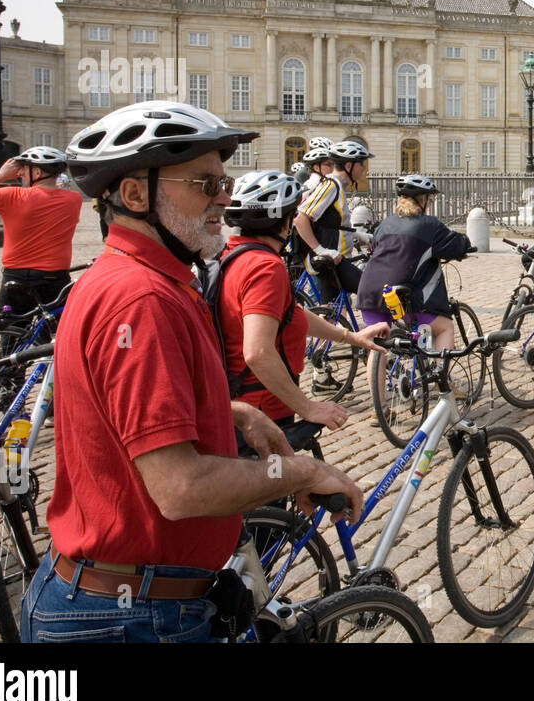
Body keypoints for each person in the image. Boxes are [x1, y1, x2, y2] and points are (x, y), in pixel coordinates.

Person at [21, 100, 362, 643]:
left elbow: (122, 407)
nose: (224, 199)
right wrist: (302, 473)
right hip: (131, 616)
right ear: (134, 195)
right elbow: (181, 487)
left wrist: (233, 409)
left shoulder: (139, 276)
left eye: (224, 183)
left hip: (130, 596)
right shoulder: (141, 300)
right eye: (205, 184)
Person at [216, 170, 388, 428]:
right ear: (284, 223)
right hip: (262, 411)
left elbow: (288, 312)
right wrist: (308, 408)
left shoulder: (233, 255)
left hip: (245, 403)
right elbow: (258, 353)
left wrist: (351, 338)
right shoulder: (264, 267)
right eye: (292, 216)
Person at [356, 174, 472, 404]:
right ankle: (444, 386)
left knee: (377, 347)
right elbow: (457, 244)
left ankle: (377, 408)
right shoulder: (430, 226)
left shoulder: (385, 223)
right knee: (444, 328)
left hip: (369, 291)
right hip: (401, 296)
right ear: (424, 200)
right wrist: (466, 246)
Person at [0, 147, 82, 320]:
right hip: (55, 277)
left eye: (25, 169)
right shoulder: (74, 199)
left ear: (37, 172)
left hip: (16, 276)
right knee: (55, 334)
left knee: (13, 332)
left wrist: (1, 175)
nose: (20, 173)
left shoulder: (13, 196)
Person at [293, 140, 372, 304]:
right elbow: (301, 218)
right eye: (361, 163)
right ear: (348, 165)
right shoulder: (331, 185)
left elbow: (332, 224)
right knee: (372, 292)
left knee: (333, 309)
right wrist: (320, 250)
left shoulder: (337, 186)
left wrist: (358, 234)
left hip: (336, 259)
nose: (364, 168)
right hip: (333, 261)